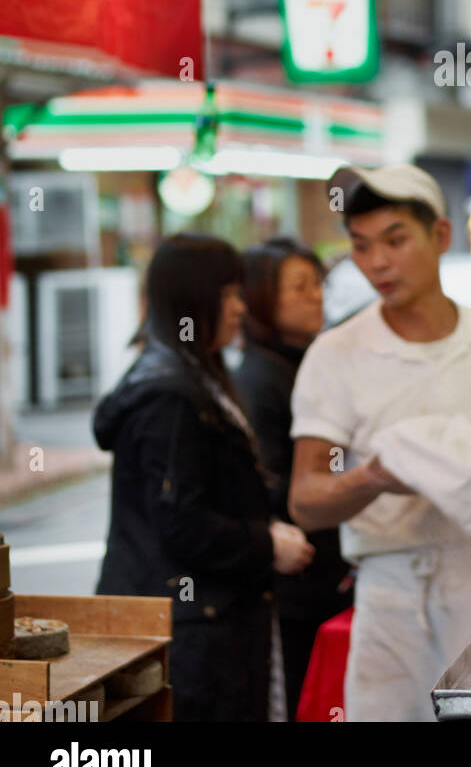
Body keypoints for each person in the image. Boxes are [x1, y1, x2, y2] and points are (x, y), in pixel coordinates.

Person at [288, 164, 471, 723]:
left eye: (395, 240)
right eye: (361, 246)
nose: (377, 262)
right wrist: (373, 477)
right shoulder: (337, 354)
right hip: (395, 596)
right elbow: (305, 499)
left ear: (441, 236)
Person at [93, 233, 314, 722]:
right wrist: (266, 544)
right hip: (188, 632)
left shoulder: (193, 375)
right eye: (230, 294)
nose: (239, 308)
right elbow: (183, 524)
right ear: (195, 300)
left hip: (201, 625)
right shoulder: (170, 395)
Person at [234, 236, 352, 720]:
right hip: (298, 578)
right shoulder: (261, 379)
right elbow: (271, 485)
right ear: (261, 298)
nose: (316, 296)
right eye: (298, 287)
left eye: (317, 284)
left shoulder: (304, 363)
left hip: (323, 570)